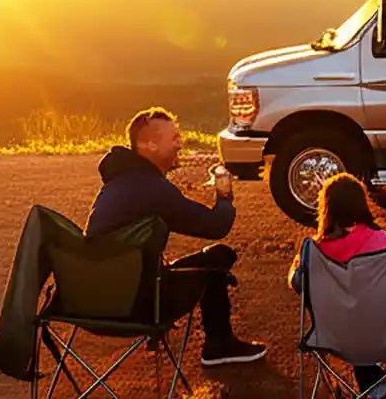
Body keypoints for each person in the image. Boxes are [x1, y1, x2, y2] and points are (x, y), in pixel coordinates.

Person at [85, 106, 267, 366]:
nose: (180, 144)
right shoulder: (153, 189)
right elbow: (216, 226)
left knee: (215, 256)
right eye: (174, 138)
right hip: (136, 305)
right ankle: (219, 346)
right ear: (149, 145)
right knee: (214, 267)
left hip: (92, 300)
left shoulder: (118, 184)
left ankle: (217, 343)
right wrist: (224, 193)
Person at [287, 173, 386, 398]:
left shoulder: (315, 253)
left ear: (327, 209)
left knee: (342, 310)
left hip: (334, 341)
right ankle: (372, 379)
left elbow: (297, 283)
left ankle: (365, 380)